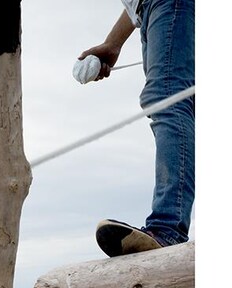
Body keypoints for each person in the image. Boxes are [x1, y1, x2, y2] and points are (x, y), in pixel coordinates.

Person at [82, 0, 194, 257]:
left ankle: (168, 228)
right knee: (184, 104)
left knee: (167, 98)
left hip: (170, 6)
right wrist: (113, 42)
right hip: (155, 11)